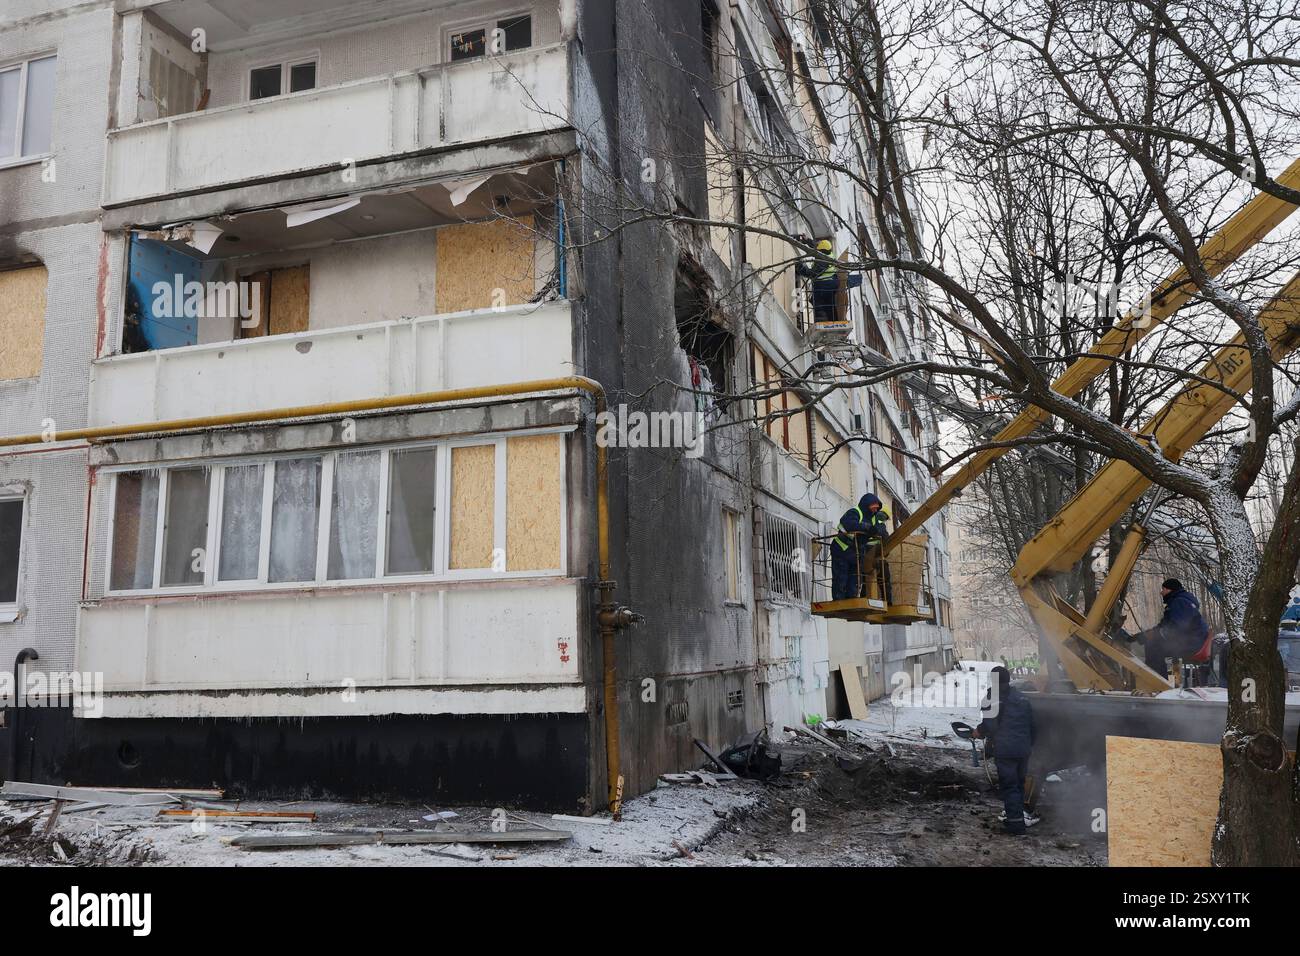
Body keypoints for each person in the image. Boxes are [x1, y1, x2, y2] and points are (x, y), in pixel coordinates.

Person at [973, 666, 1037, 835]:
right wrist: (1028, 746)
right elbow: (1033, 726)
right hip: (1023, 750)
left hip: (1006, 750)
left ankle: (1016, 826)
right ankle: (1017, 817)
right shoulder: (1022, 698)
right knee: (1018, 785)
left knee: (1009, 787)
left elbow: (989, 726)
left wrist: (978, 732)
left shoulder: (992, 699)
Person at [1137, 579, 1208, 678]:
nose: (1161, 592)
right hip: (1191, 641)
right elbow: (1165, 625)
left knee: (1153, 648)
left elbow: (1177, 628)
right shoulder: (1179, 601)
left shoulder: (1180, 603)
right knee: (1153, 644)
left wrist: (1156, 636)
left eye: (1163, 589)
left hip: (1191, 644)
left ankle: (1159, 683)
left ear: (1170, 590)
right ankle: (1164, 682)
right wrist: (1149, 633)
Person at [830, 492, 890, 600]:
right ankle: (839, 600)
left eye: (877, 508)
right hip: (841, 548)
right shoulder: (854, 512)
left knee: (854, 578)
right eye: (874, 507)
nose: (875, 510)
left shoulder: (873, 518)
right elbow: (850, 524)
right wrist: (867, 528)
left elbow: (880, 529)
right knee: (841, 576)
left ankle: (851, 599)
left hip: (855, 551)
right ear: (867, 504)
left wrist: (880, 532)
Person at [795, 239, 862, 325]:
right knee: (829, 306)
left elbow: (811, 274)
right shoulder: (829, 255)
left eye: (818, 250)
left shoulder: (822, 262)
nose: (816, 252)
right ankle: (833, 321)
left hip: (823, 285)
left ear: (821, 251)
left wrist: (799, 266)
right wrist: (807, 241)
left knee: (817, 302)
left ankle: (821, 320)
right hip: (832, 284)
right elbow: (817, 246)